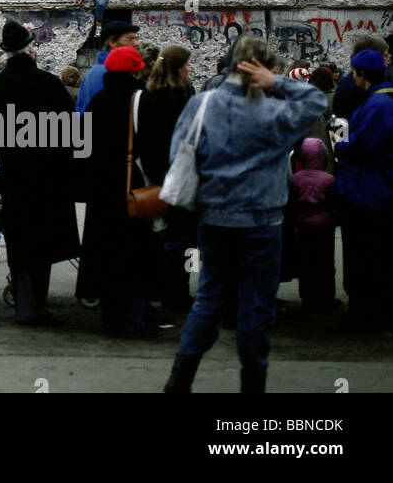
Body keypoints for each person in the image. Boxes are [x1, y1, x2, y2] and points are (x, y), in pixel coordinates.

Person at [163, 38, 327, 393]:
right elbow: (315, 101)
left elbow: (179, 152)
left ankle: (181, 377)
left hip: (216, 215)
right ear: (262, 68)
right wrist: (277, 82)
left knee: (209, 299)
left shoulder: (202, 104)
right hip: (264, 221)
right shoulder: (274, 112)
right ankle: (253, 381)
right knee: (256, 307)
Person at [0, 20, 81, 326]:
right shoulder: (50, 84)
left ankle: (24, 303)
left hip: (14, 175)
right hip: (49, 175)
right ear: (31, 49)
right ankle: (36, 302)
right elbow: (73, 135)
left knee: (19, 236)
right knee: (44, 238)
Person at [80, 45, 156, 335]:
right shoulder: (140, 100)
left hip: (102, 187)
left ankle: (111, 316)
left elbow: (82, 144)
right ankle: (134, 319)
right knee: (134, 253)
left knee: (107, 252)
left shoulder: (97, 100)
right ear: (136, 70)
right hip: (132, 186)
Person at [333, 48, 393, 328]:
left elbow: (361, 147)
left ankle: (368, 310)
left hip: (367, 190)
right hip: (378, 187)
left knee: (364, 253)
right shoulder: (382, 101)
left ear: (360, 74)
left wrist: (338, 141)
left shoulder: (376, 106)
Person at [136, 44, 196, 311]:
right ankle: (178, 291)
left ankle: (157, 286)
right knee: (183, 238)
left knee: (159, 234)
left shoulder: (146, 96)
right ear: (178, 68)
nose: (190, 69)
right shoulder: (181, 99)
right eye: (187, 65)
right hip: (179, 175)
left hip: (154, 173)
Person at [290, 137, 338, 315]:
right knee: (325, 264)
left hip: (303, 227)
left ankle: (307, 298)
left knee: (306, 263)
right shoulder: (329, 179)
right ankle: (326, 298)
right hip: (324, 227)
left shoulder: (295, 179)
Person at [76, 19, 140, 115]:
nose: (136, 43)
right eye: (130, 39)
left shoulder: (95, 71)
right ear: (112, 43)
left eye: (136, 38)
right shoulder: (108, 73)